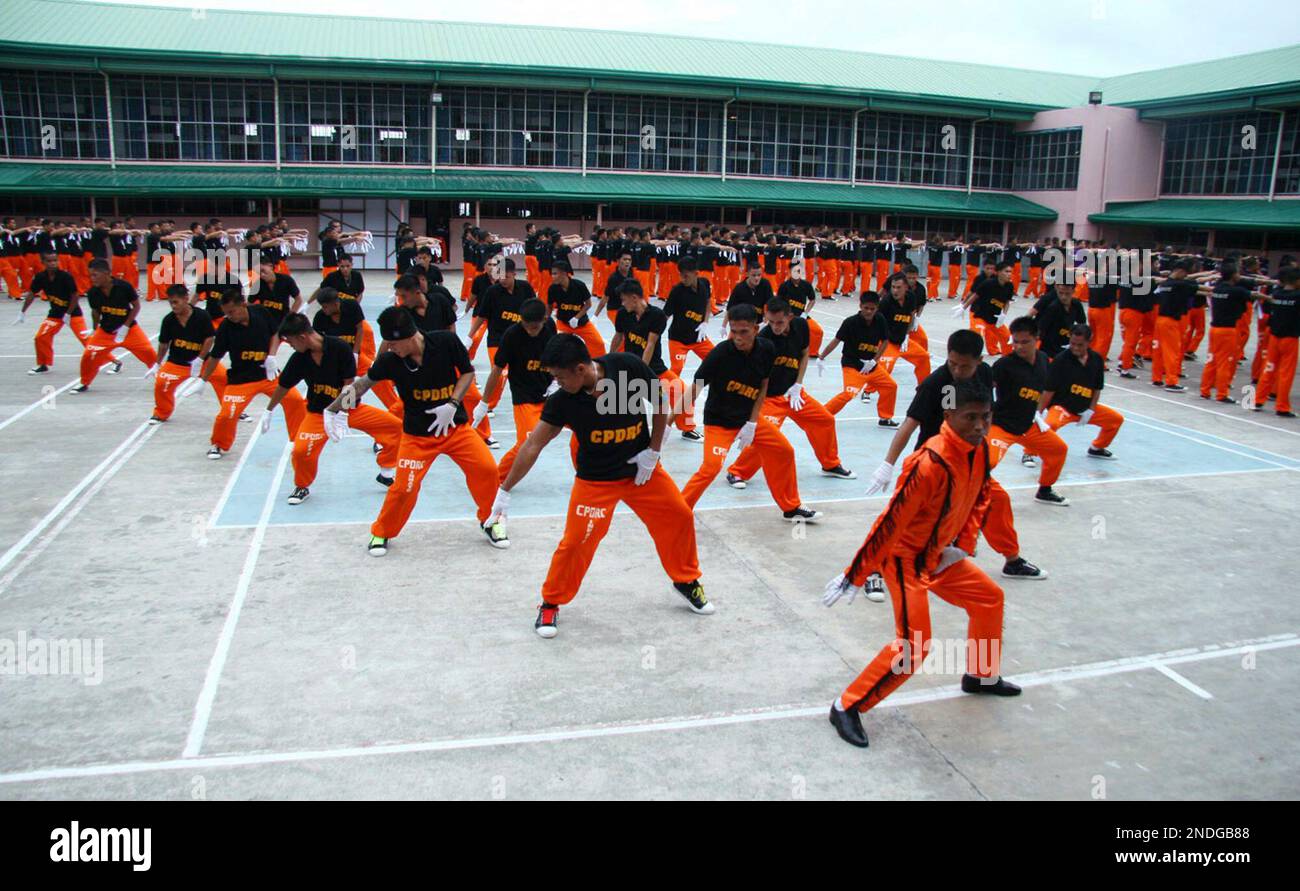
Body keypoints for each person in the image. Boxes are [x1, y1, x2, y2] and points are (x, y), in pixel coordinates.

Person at [823, 380, 1020, 749]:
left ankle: (981, 674)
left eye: (986, 417)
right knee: (915, 647)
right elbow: (890, 520)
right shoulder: (928, 463)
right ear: (949, 416)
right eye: (971, 418)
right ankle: (847, 706)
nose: (980, 426)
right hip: (905, 561)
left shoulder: (980, 451)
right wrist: (857, 573)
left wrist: (961, 545)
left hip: (942, 556)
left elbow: (982, 496)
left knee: (989, 598)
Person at [487, 334, 711, 638]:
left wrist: (654, 451)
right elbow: (533, 445)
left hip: (641, 471)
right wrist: (504, 490)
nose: (556, 383)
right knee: (577, 541)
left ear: (581, 369)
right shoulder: (563, 400)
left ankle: (686, 580)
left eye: (559, 376)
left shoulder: (627, 367)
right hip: (596, 480)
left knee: (679, 517)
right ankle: (551, 602)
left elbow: (659, 401)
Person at [865, 328, 1047, 580]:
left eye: (964, 366)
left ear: (979, 361)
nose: (957, 371)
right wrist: (887, 464)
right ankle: (873, 570)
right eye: (953, 363)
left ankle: (1012, 560)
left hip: (966, 460)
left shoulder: (984, 374)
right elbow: (909, 423)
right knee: (904, 519)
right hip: (933, 462)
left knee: (996, 501)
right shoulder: (937, 383)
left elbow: (987, 409)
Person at [330, 306, 504, 556]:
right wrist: (333, 409)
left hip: (456, 430)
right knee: (403, 489)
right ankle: (381, 531)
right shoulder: (392, 360)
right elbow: (362, 385)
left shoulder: (445, 342)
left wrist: (452, 403)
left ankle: (492, 521)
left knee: (487, 470)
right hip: (418, 438)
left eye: (393, 343)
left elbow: (467, 373)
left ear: (410, 337)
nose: (390, 348)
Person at [681, 303, 822, 522]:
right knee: (711, 468)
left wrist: (753, 423)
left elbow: (763, 386)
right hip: (719, 421)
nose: (737, 337)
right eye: (734, 332)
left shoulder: (766, 349)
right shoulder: (721, 353)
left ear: (756, 329)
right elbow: (695, 388)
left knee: (784, 450)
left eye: (743, 332)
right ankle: (679, 509)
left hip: (747, 419)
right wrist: (669, 423)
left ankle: (791, 506)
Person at [266, 313, 401, 504]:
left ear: (302, 337)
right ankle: (302, 486)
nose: (290, 346)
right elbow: (284, 385)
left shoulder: (340, 348)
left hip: (349, 410)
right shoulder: (300, 358)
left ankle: (386, 471)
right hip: (318, 414)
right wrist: (268, 410)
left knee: (396, 428)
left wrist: (342, 413)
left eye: (290, 341)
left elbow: (349, 384)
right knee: (301, 451)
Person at [725, 297, 854, 486]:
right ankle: (736, 472)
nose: (775, 326)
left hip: (794, 394)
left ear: (790, 317)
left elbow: (804, 353)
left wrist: (798, 385)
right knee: (768, 437)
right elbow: (756, 377)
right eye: (771, 321)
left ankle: (830, 464)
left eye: (780, 322)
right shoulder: (763, 339)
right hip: (770, 398)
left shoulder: (801, 326)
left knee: (825, 420)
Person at [198, 288, 305, 459]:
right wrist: (203, 380)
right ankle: (218, 444)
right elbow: (215, 357)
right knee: (227, 414)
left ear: (243, 304)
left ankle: (298, 439)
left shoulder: (261, 312)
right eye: (226, 313)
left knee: (295, 400)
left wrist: (271, 356)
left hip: (268, 375)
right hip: (240, 380)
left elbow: (276, 334)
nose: (229, 316)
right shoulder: (226, 327)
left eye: (232, 312)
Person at [474, 298, 558, 482]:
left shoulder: (550, 327)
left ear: (544, 320)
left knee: (585, 425)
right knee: (526, 443)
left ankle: (593, 474)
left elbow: (556, 355)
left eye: (534, 328)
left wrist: (556, 381)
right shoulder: (512, 335)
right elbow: (497, 370)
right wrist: (484, 402)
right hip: (524, 395)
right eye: (526, 326)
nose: (529, 331)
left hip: (550, 391)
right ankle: (497, 478)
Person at [990, 316, 1070, 505]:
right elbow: (984, 389)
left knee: (1058, 450)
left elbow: (1046, 388)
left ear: (1036, 338)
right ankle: (969, 495)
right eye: (1015, 341)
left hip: (1028, 425)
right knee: (987, 462)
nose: (1019, 346)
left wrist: (1038, 412)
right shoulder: (1003, 365)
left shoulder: (1043, 360)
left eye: (1025, 342)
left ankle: (1045, 490)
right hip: (1003, 426)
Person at [610, 278, 698, 440]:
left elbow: (650, 345)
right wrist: (609, 360)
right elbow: (618, 337)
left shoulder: (656, 316)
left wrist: (641, 371)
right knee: (625, 405)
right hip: (628, 367)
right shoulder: (623, 314)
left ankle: (686, 428)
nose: (622, 304)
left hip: (653, 367)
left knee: (682, 392)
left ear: (634, 298)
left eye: (623, 299)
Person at [143, 284, 226, 424]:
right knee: (162, 382)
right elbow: (164, 344)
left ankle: (232, 410)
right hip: (177, 362)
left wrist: (200, 359)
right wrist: (157, 363)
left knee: (223, 378)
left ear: (186, 298)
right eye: (170, 303)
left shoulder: (202, 316)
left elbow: (209, 338)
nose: (173, 306)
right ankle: (161, 413)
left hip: (203, 362)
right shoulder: (168, 320)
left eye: (176, 302)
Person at [1040, 324, 1125, 459]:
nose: (1075, 348)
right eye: (1072, 344)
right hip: (1063, 408)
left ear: (1089, 342)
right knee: (1049, 425)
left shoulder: (1096, 360)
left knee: (1115, 419)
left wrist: (1091, 409)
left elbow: (1097, 388)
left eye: (1080, 345)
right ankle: (1029, 453)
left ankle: (1097, 448)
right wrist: (1038, 413)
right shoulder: (1060, 360)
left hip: (1084, 407)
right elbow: (1048, 390)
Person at [72, 259, 158, 393]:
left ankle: (161, 378)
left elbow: (136, 306)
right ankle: (84, 382)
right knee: (89, 355)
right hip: (106, 332)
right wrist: (95, 329)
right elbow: (95, 311)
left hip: (129, 330)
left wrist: (126, 326)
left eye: (95, 275)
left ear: (106, 273)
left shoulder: (124, 287)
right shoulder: (93, 292)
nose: (92, 278)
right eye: (90, 275)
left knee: (149, 353)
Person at [818, 290, 899, 426]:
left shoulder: (880, 320)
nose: (868, 311)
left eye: (872, 309)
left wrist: (874, 360)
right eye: (866, 308)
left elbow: (885, 341)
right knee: (849, 393)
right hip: (852, 366)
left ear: (877, 308)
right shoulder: (850, 323)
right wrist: (822, 356)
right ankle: (822, 416)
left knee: (891, 386)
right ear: (860, 306)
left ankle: (885, 418)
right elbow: (836, 340)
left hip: (871, 366)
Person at [15, 251, 89, 375]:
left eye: (55, 260)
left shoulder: (65, 276)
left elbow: (75, 296)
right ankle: (43, 364)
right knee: (41, 337)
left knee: (85, 339)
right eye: (49, 261)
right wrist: (22, 312)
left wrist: (68, 314)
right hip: (55, 313)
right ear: (43, 262)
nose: (53, 263)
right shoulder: (40, 277)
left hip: (72, 313)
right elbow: (32, 294)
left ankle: (114, 361)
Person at [1201, 261, 1253, 403]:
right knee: (1225, 363)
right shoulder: (1237, 291)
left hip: (1214, 329)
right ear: (1233, 275)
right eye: (1237, 273)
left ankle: (1205, 390)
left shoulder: (1217, 289)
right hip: (1228, 330)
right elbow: (1252, 295)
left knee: (1211, 360)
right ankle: (1222, 393)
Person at [1253, 265, 1299, 418]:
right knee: (1286, 373)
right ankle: (1282, 406)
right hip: (1290, 339)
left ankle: (1258, 400)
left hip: (1274, 337)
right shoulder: (1297, 296)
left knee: (1268, 368)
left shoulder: (1277, 294)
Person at [661, 258, 714, 376]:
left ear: (696, 274)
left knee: (716, 360)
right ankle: (665, 393)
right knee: (676, 368)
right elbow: (665, 316)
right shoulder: (677, 291)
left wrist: (705, 322)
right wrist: (654, 334)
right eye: (680, 275)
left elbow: (708, 302)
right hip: (678, 339)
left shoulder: (705, 283)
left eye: (686, 276)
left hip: (699, 338)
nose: (682, 279)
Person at [877, 273, 931, 385]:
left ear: (906, 288)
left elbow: (911, 314)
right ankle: (867, 391)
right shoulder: (885, 303)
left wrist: (906, 336)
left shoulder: (911, 297)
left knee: (924, 357)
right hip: (888, 342)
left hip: (903, 341)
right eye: (893, 287)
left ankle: (923, 387)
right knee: (886, 368)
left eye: (898, 287)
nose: (895, 291)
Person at [546, 260, 605, 359]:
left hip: (582, 323)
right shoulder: (553, 288)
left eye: (555, 273)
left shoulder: (579, 285)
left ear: (564, 273)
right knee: (558, 347)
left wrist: (577, 318)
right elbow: (549, 306)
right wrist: (547, 320)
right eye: (552, 274)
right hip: (563, 323)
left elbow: (588, 304)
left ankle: (599, 364)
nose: (552, 276)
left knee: (599, 343)